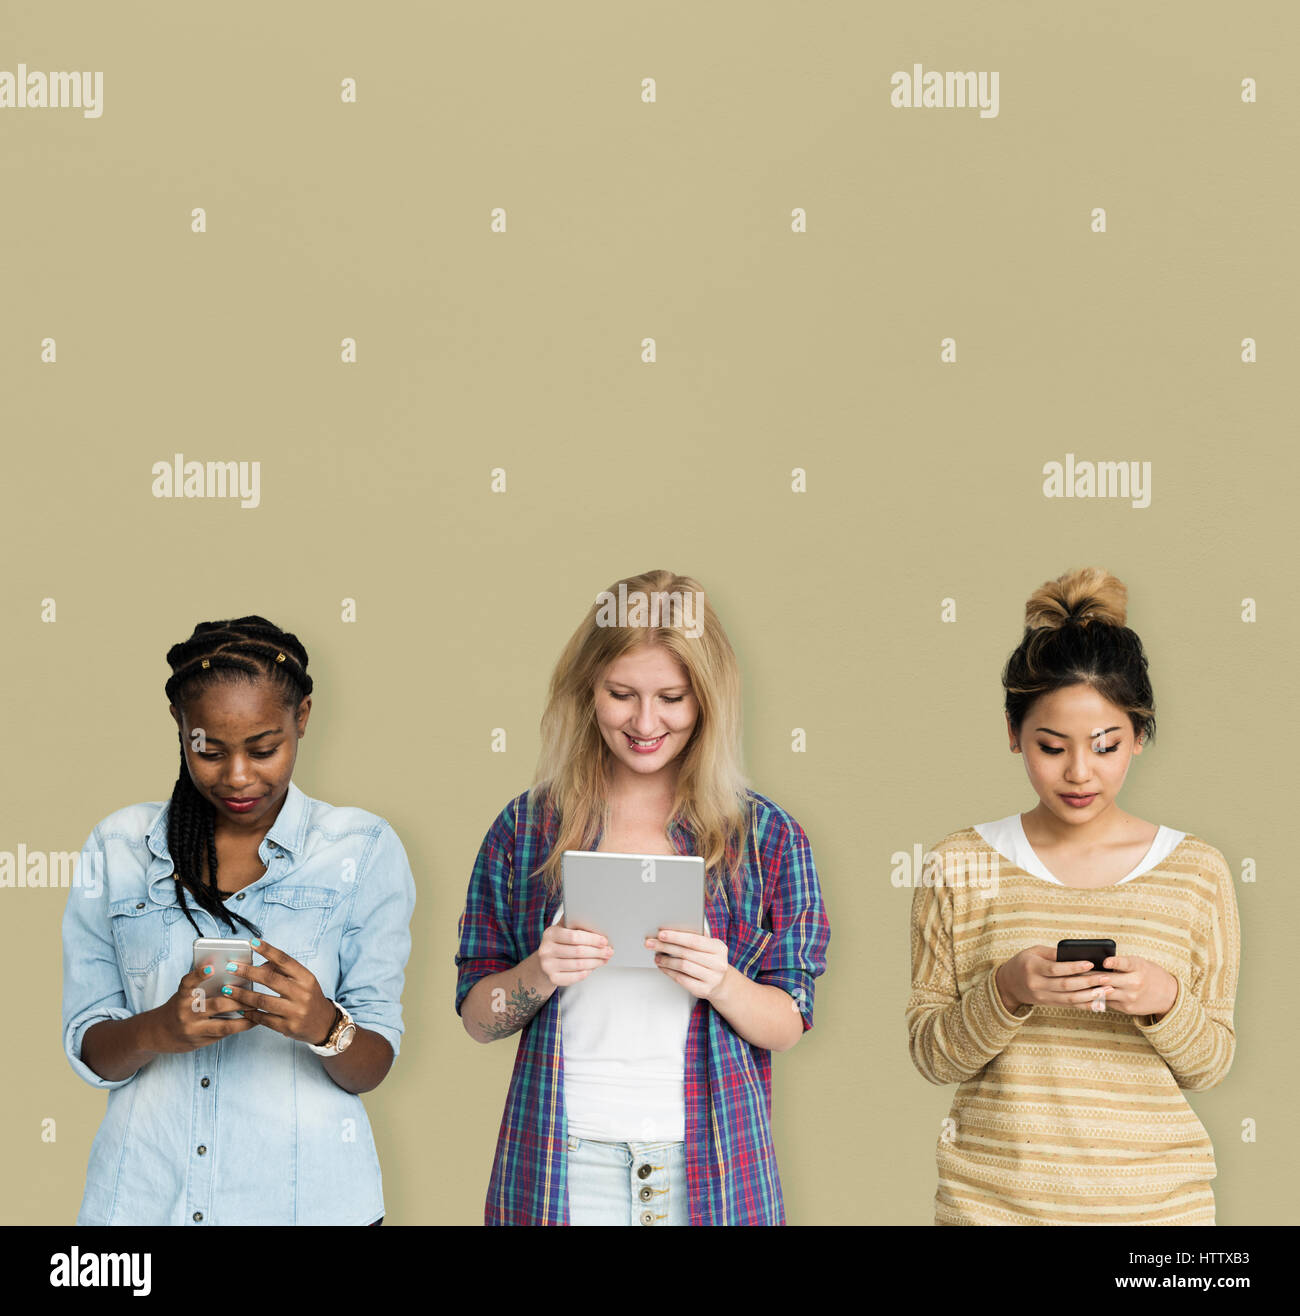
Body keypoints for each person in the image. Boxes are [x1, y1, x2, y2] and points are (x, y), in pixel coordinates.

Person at [455, 569, 830, 1225]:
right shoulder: (527, 829)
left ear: (709, 700)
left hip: (712, 1172)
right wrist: (539, 973)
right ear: (587, 691)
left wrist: (722, 982)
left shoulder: (766, 837)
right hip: (559, 1167)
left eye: (673, 698)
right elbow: (478, 1019)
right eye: (621, 694)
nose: (646, 722)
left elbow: (789, 1021)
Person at [906, 567, 1240, 1225]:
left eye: (1106, 745)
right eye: (1052, 747)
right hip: (991, 1210)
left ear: (1139, 737)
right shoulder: (958, 864)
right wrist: (1005, 989)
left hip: (1157, 1220)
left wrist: (1165, 1001)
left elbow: (1212, 1064)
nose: (1080, 772)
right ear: (1013, 734)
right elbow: (931, 1054)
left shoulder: (1198, 872)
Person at [61, 616, 416, 1225]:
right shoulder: (115, 846)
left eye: (264, 747)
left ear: (302, 717)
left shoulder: (363, 848)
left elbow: (373, 1064)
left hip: (309, 1207)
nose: (239, 777)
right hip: (146, 1202)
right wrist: (158, 1030)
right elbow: (91, 1047)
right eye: (211, 751)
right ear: (180, 727)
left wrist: (325, 1025)